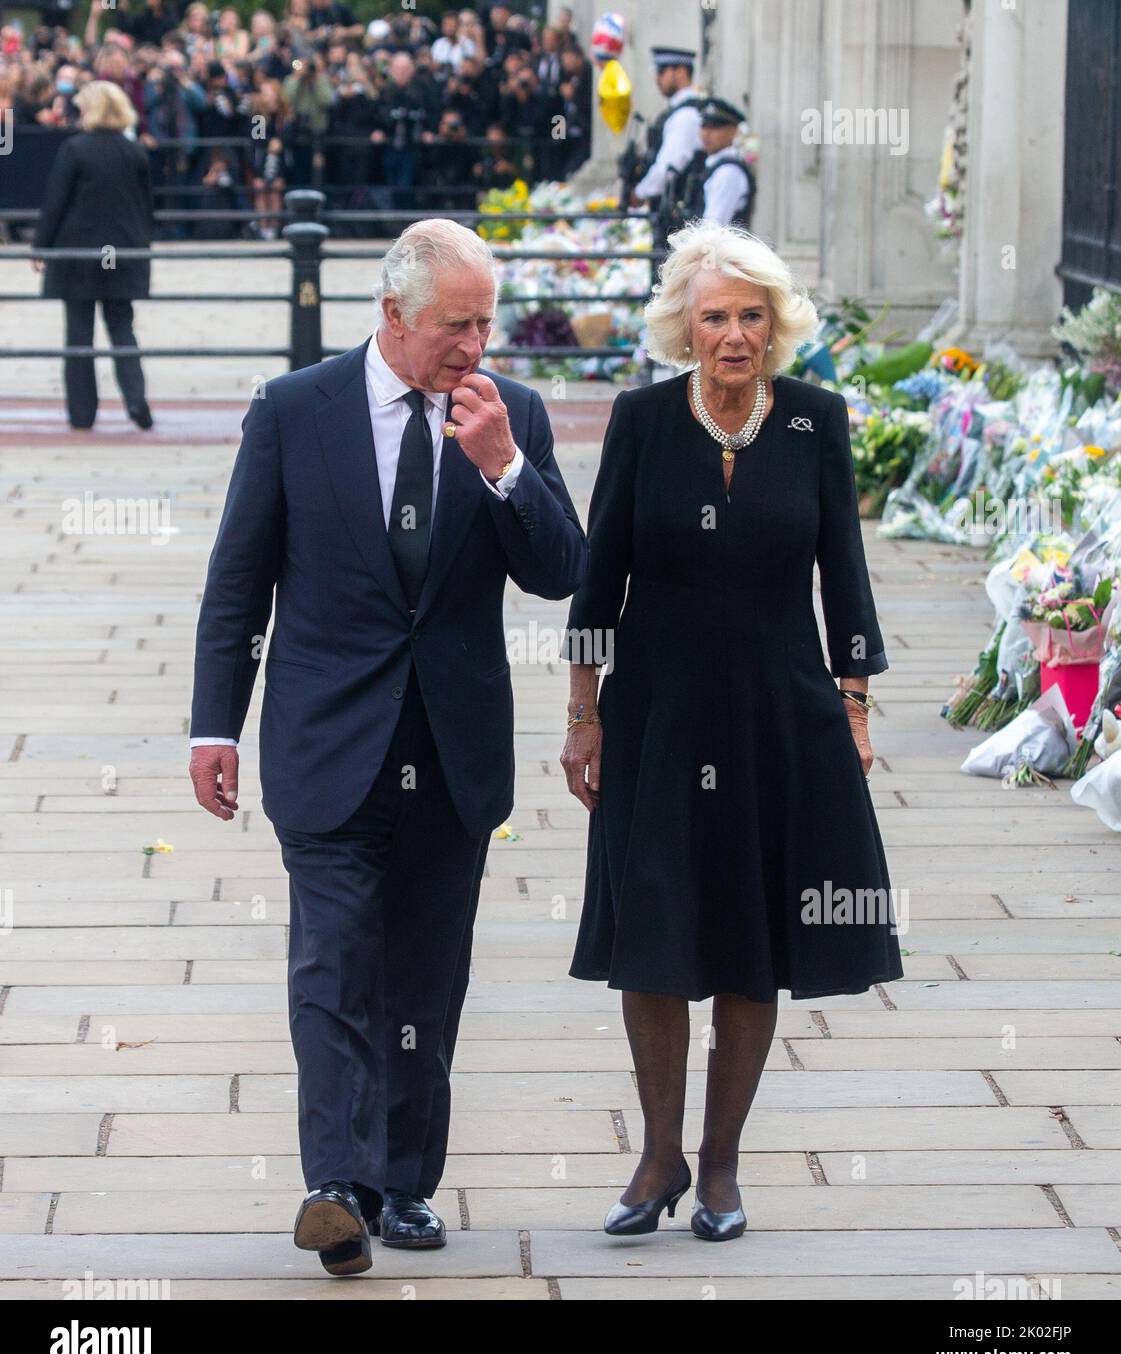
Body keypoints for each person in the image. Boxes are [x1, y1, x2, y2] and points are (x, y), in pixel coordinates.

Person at [189, 218, 587, 1276]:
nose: (473, 345)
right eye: (455, 325)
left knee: (424, 974)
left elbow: (562, 572)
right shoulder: (293, 411)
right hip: (326, 740)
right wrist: (212, 723)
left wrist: (503, 464)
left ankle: (404, 1181)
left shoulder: (511, 415)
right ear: (393, 316)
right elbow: (239, 581)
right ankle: (334, 1184)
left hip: (450, 748)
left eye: (484, 323)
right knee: (331, 960)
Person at [560, 220, 902, 1242]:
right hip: (656, 712)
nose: (734, 334)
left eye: (751, 315)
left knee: (752, 935)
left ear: (775, 325)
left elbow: (841, 564)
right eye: (715, 315)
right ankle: (656, 1152)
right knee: (652, 934)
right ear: (684, 325)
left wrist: (853, 702)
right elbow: (596, 576)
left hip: (777, 713)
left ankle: (717, 1165)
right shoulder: (641, 420)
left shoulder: (812, 420)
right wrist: (582, 712)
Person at [32, 80, 154, 430]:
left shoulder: (75, 149)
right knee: (122, 329)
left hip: (79, 253)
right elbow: (146, 207)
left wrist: (41, 244)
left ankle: (82, 414)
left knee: (79, 336)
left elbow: (56, 201)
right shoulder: (134, 152)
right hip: (123, 252)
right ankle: (136, 401)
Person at [632, 45, 702, 209]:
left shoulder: (685, 115)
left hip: (677, 207)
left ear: (681, 72)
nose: (657, 78)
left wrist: (640, 193)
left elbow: (670, 165)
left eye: (662, 71)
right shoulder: (677, 111)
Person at [692, 96, 755, 229]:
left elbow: (712, 227)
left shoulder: (728, 172)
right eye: (704, 126)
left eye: (715, 127)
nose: (707, 133)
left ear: (733, 131)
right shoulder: (714, 166)